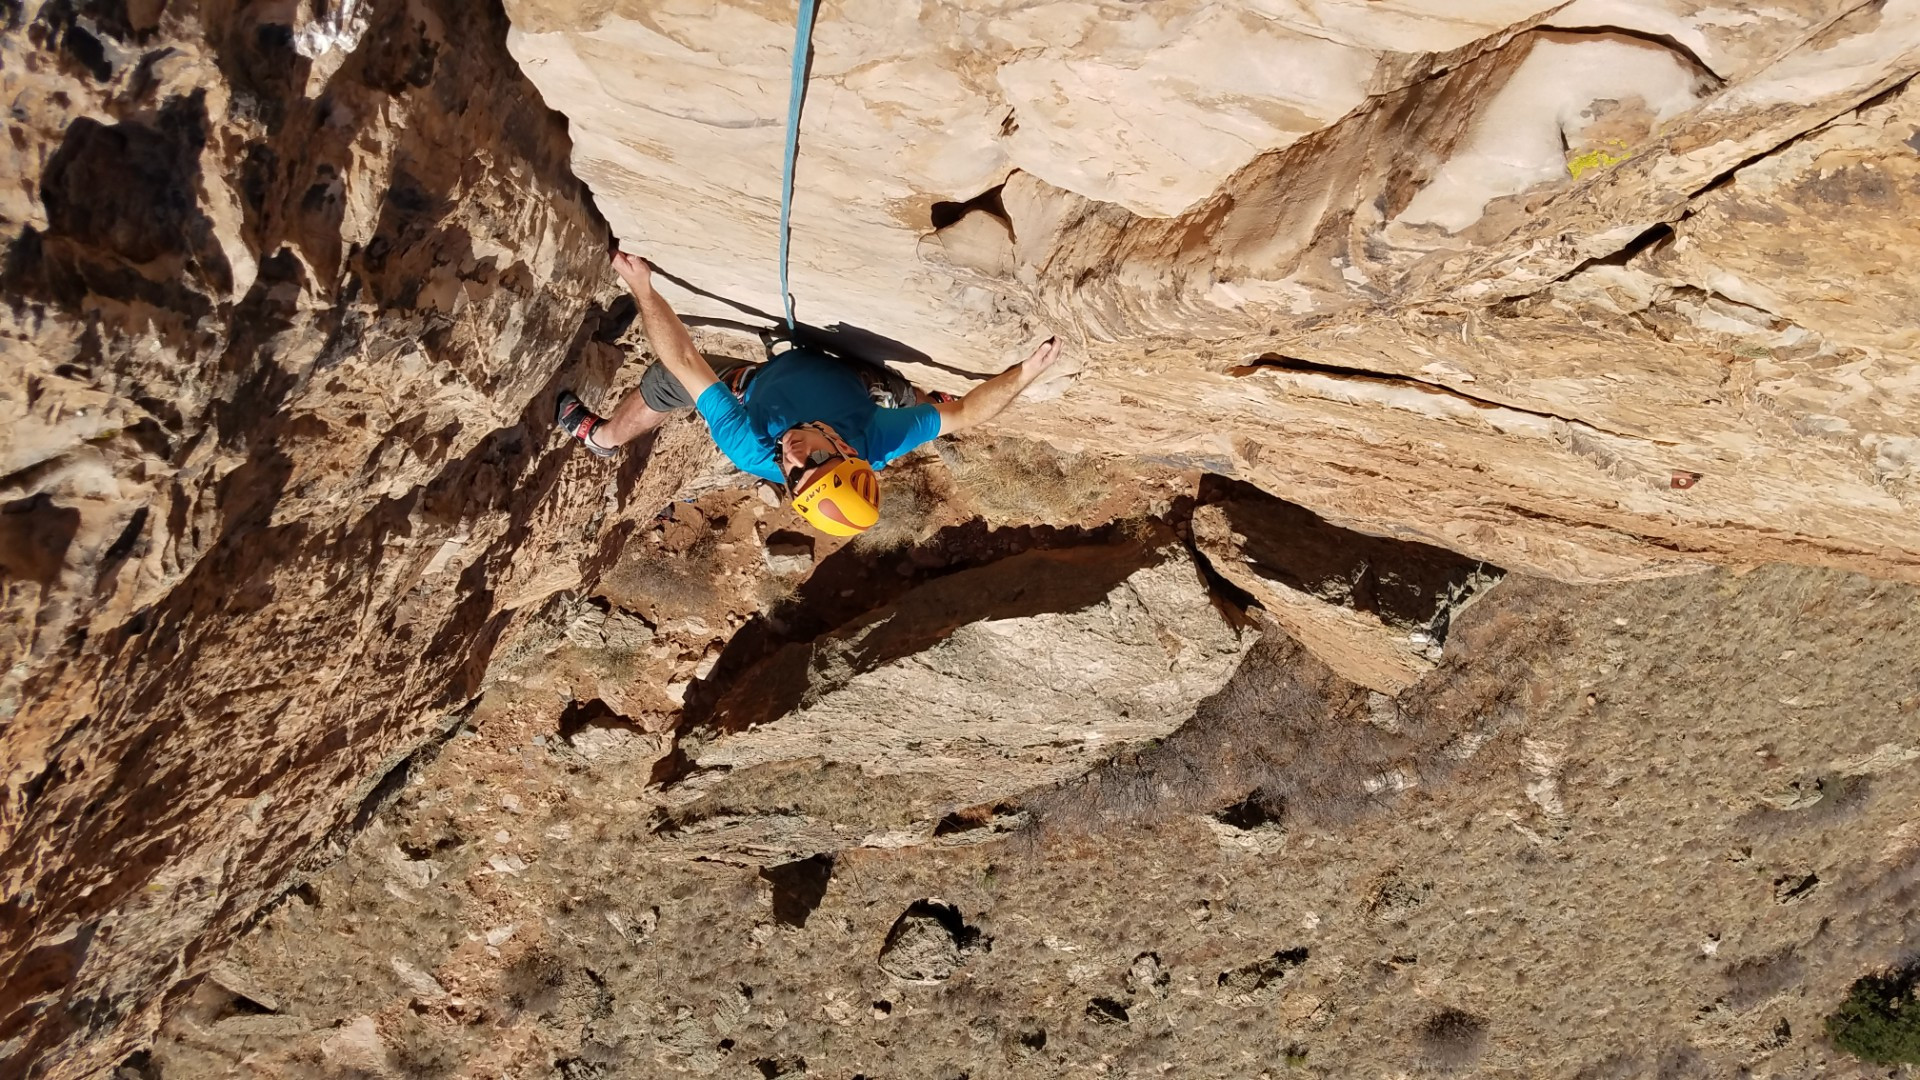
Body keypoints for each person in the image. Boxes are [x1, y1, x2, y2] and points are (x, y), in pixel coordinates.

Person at [555, 250, 1065, 536]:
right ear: (846, 450)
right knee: (909, 399)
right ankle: (904, 395)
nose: (796, 458)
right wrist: (1025, 373)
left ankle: (604, 438)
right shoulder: (878, 439)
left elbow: (684, 359)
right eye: (816, 461)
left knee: (665, 382)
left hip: (758, 386)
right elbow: (968, 414)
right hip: (849, 383)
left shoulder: (751, 446)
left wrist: (644, 290)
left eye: (795, 477)